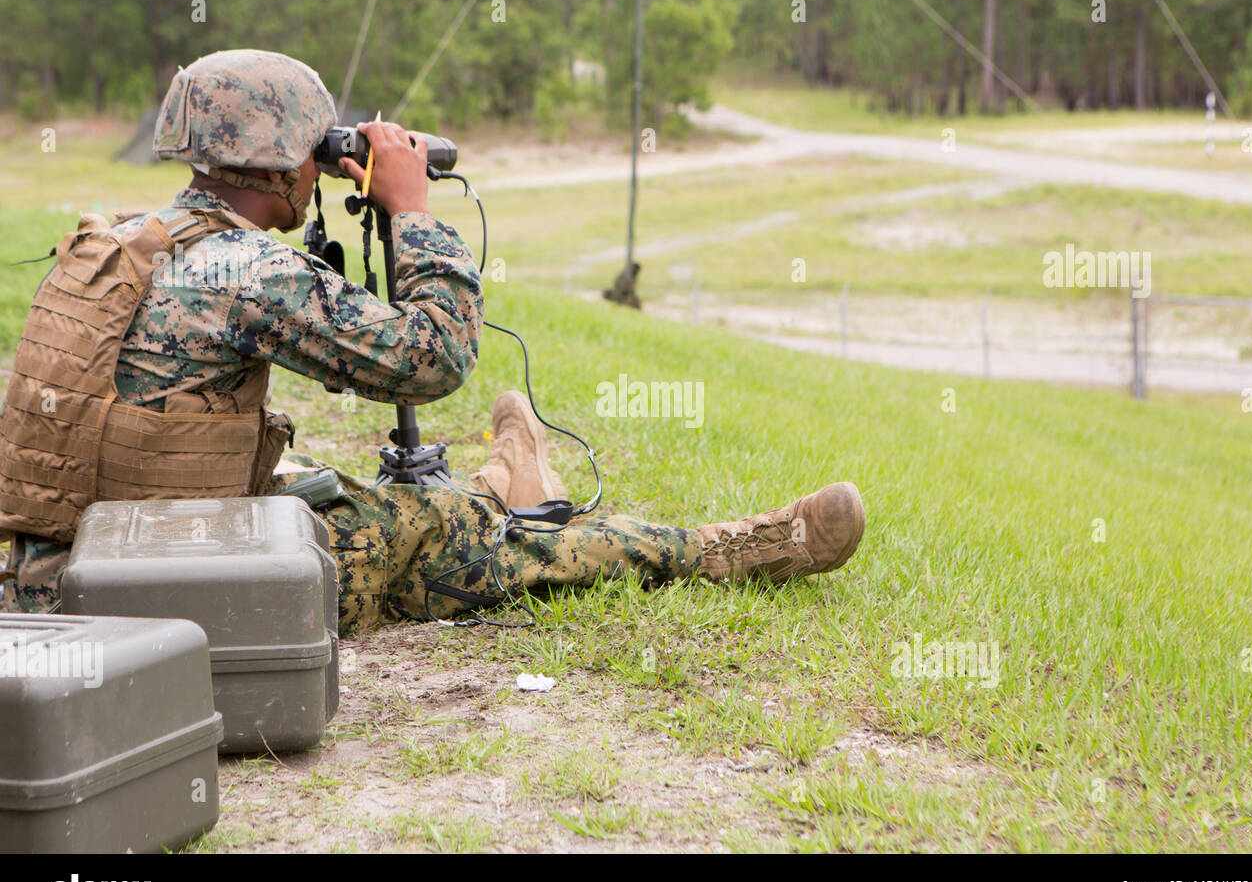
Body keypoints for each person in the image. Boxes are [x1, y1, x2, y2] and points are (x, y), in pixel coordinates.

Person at [0, 49, 864, 634]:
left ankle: (507, 474)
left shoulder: (126, 237)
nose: (317, 165)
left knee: (310, 480)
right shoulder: (243, 268)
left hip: (61, 573)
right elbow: (433, 355)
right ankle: (723, 549)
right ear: (277, 163)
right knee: (434, 523)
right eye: (311, 148)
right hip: (146, 605)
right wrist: (411, 210)